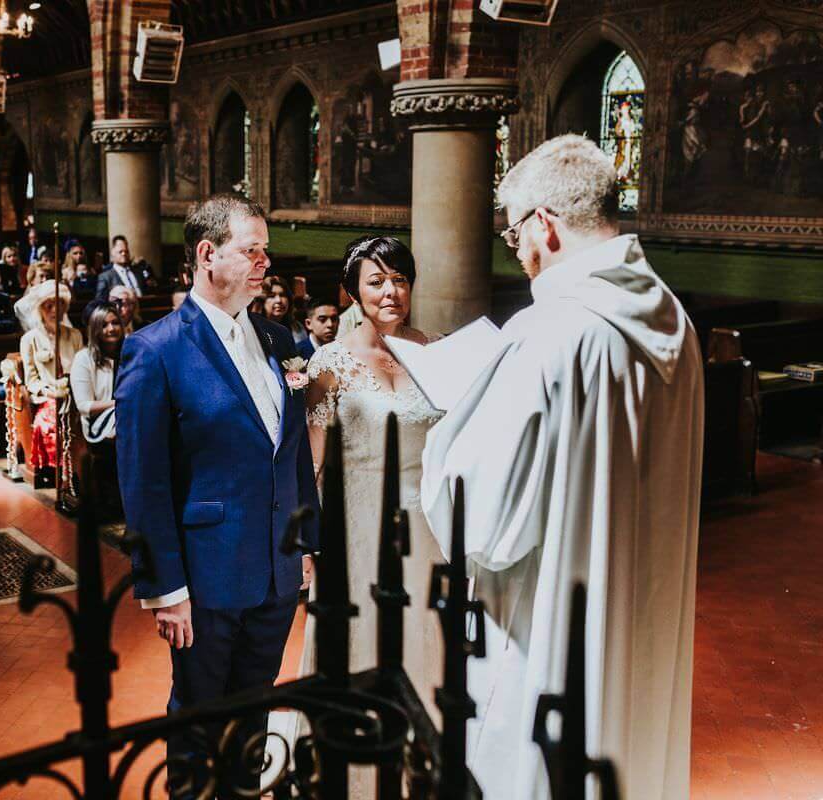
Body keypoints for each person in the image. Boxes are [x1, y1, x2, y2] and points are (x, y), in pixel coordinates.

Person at [418, 134, 703, 800]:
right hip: (641, 624)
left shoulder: (550, 333)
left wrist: (446, 442)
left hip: (548, 635)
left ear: (543, 225)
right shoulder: (676, 323)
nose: (516, 254)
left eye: (513, 235)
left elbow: (482, 523)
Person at [114, 194, 319, 796]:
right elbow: (144, 483)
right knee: (201, 719)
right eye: (250, 249)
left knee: (252, 719)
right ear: (207, 255)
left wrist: (303, 542)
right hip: (203, 579)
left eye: (265, 249)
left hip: (276, 571)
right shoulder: (157, 350)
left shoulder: (280, 340)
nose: (264, 261)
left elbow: (294, 455)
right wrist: (163, 589)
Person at [299, 237, 445, 796]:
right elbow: (313, 462)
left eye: (401, 279)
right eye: (377, 281)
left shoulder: (432, 349)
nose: (392, 291)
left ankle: (419, 756)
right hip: (355, 518)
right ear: (353, 291)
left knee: (421, 635)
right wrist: (309, 543)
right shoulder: (330, 363)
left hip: (424, 518)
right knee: (358, 632)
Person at [19, 280, 83, 481]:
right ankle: (63, 472)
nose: (55, 310)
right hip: (48, 396)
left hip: (76, 393)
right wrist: (49, 391)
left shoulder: (74, 335)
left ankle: (82, 466)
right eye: (49, 305)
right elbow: (31, 380)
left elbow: (83, 370)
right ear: (40, 309)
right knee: (51, 421)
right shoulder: (30, 339)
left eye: (60, 304)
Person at [70, 304, 125, 515]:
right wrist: (120, 404)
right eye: (104, 325)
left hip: (125, 420)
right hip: (98, 423)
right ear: (94, 329)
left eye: (115, 323)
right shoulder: (84, 359)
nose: (111, 329)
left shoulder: (131, 353)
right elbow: (84, 406)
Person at [260, 275, 308, 345]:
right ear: (262, 301)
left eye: (282, 295)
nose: (279, 300)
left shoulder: (297, 327)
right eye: (272, 296)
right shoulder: (254, 327)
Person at [95, 235, 145, 300]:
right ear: (113, 253)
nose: (124, 254)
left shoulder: (138, 273)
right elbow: (99, 300)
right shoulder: (105, 277)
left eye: (126, 251)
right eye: (120, 251)